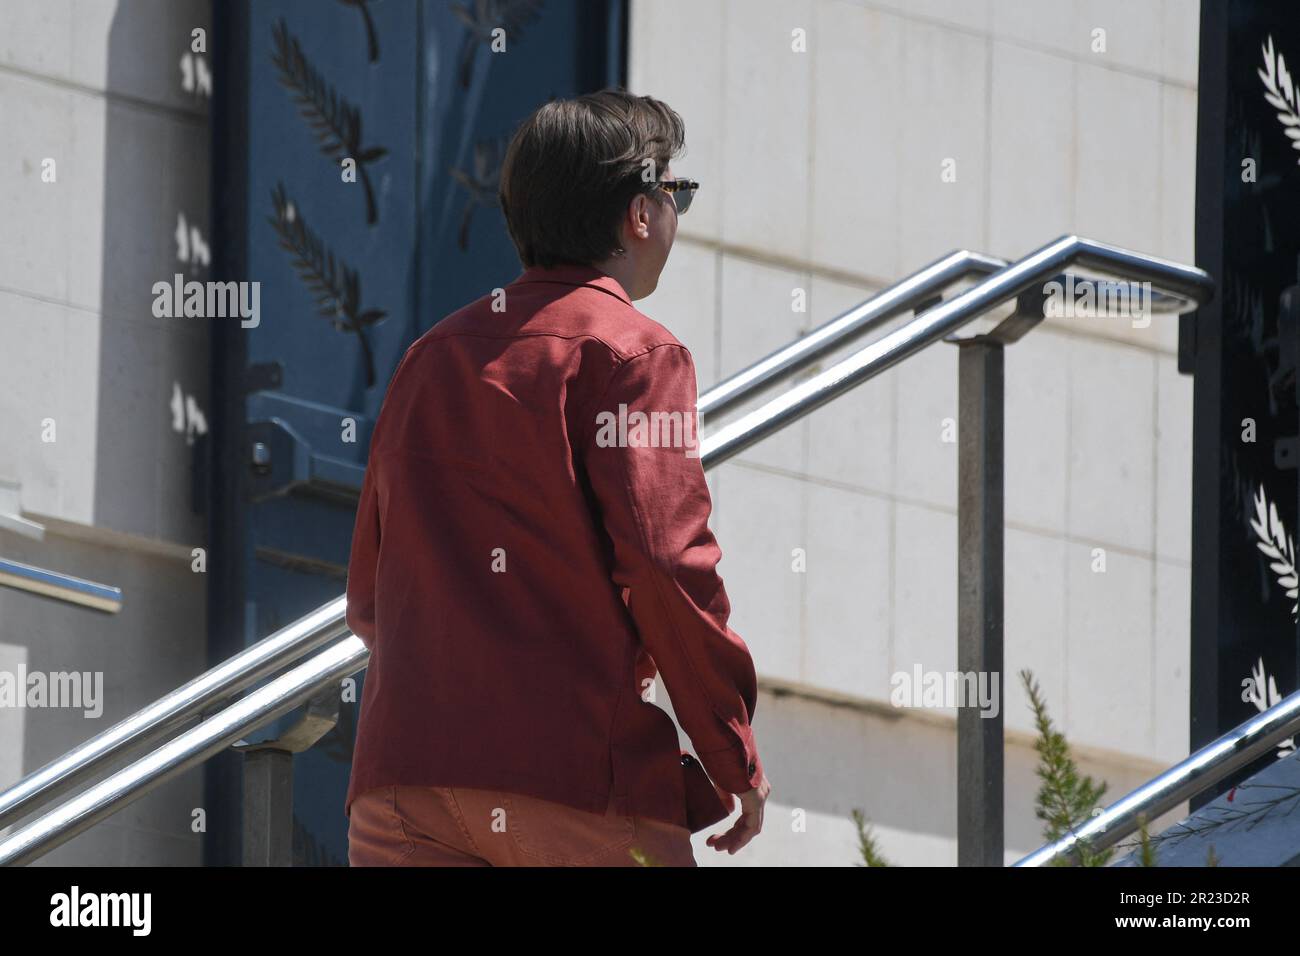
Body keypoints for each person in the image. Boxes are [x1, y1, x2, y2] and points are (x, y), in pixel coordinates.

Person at [344, 88, 769, 867]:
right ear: (639, 213)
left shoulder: (428, 358)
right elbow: (664, 565)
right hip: (570, 781)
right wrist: (728, 746)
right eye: (675, 192)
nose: (676, 212)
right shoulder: (637, 354)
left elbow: (369, 598)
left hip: (401, 780)